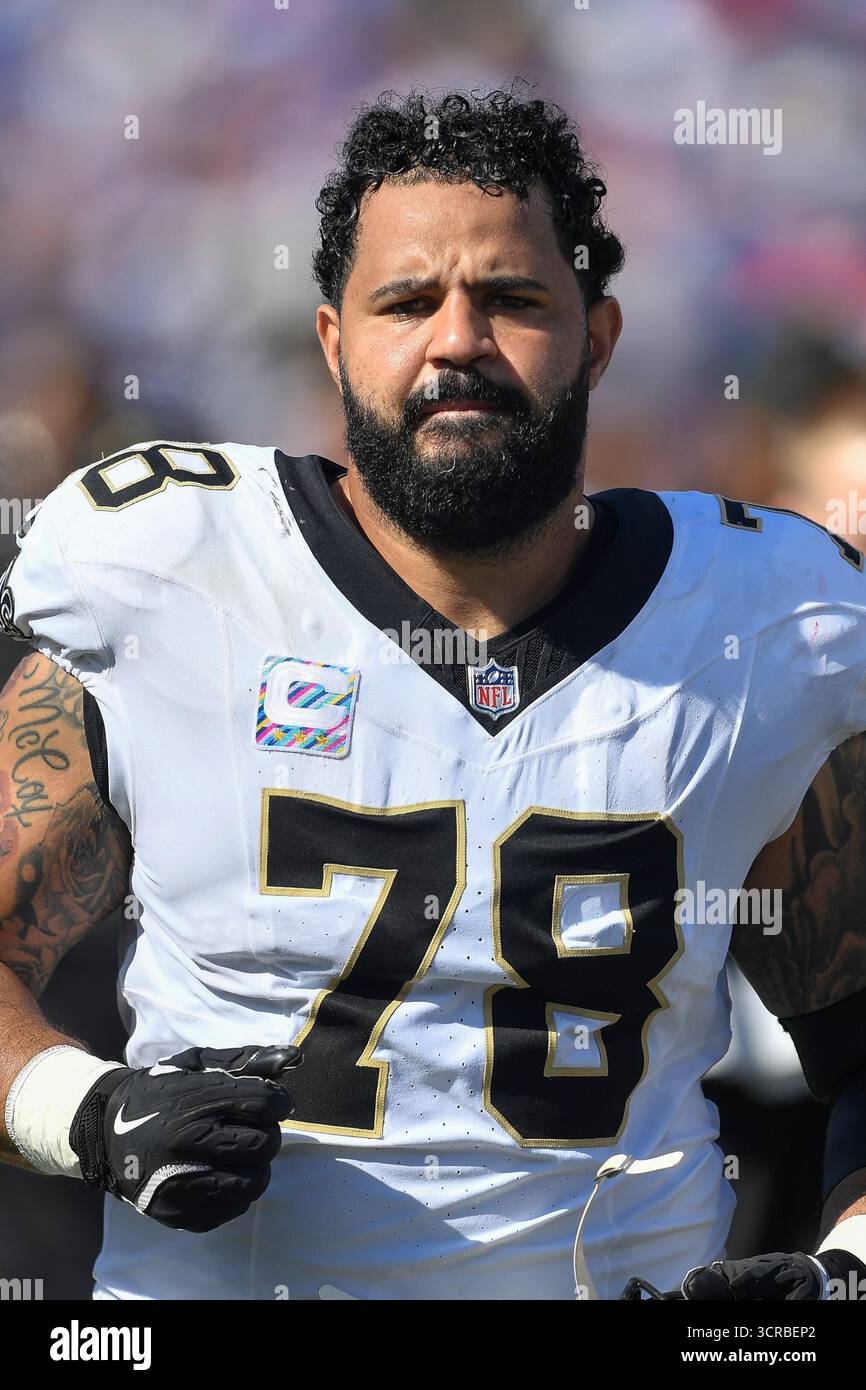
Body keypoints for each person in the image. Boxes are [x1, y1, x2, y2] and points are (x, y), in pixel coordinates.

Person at [1, 82, 865, 1302]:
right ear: (332, 340)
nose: (455, 340)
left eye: (511, 300)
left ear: (599, 336)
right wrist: (82, 1109)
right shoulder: (170, 580)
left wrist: (845, 1272)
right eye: (406, 301)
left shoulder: (758, 626)